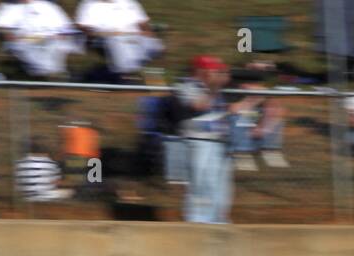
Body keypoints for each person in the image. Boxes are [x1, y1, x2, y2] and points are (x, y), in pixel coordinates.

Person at [176, 54, 234, 223]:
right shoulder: (186, 85)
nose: (216, 73)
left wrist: (254, 94)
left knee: (221, 187)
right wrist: (215, 86)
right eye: (213, 70)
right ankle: (197, 223)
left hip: (219, 141)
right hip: (198, 141)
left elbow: (228, 109)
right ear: (200, 70)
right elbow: (200, 105)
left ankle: (219, 222)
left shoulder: (216, 88)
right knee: (200, 185)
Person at [0, 0, 80, 78]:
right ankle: (42, 74)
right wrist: (5, 34)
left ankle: (54, 73)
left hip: (50, 38)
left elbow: (66, 27)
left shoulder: (48, 5)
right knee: (34, 51)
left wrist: (62, 35)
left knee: (57, 46)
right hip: (24, 39)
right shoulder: (10, 6)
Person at [74, 0, 162, 80]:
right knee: (124, 51)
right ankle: (97, 74)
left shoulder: (129, 2)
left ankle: (116, 72)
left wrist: (148, 33)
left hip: (133, 36)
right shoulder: (89, 4)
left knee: (153, 47)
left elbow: (142, 23)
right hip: (106, 38)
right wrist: (102, 34)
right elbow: (83, 27)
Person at [229, 63, 288, 171]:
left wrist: (264, 127)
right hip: (237, 129)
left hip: (257, 130)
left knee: (274, 114)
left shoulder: (265, 90)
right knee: (242, 115)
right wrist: (252, 100)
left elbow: (279, 110)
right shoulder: (233, 87)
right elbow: (233, 110)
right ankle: (242, 153)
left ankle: (271, 151)